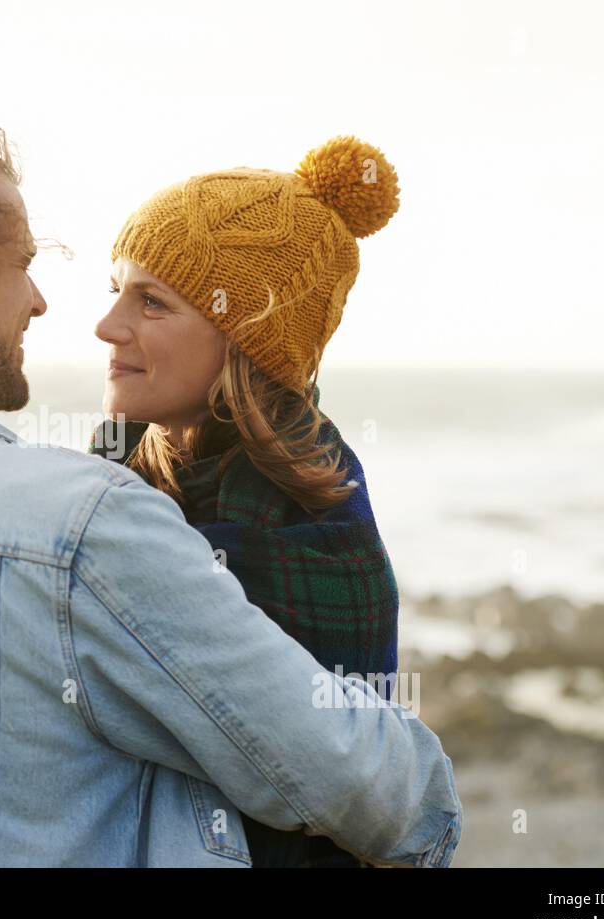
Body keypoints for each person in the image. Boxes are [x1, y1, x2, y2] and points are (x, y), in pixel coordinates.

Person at [0, 110, 461, 866]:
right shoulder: (76, 524)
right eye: (23, 261)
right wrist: (428, 798)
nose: (44, 302)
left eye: (149, 299)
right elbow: (363, 783)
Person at [88, 138, 404, 867]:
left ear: (244, 340)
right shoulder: (118, 475)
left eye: (152, 301)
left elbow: (335, 785)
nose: (108, 327)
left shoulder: (315, 528)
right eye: (116, 291)